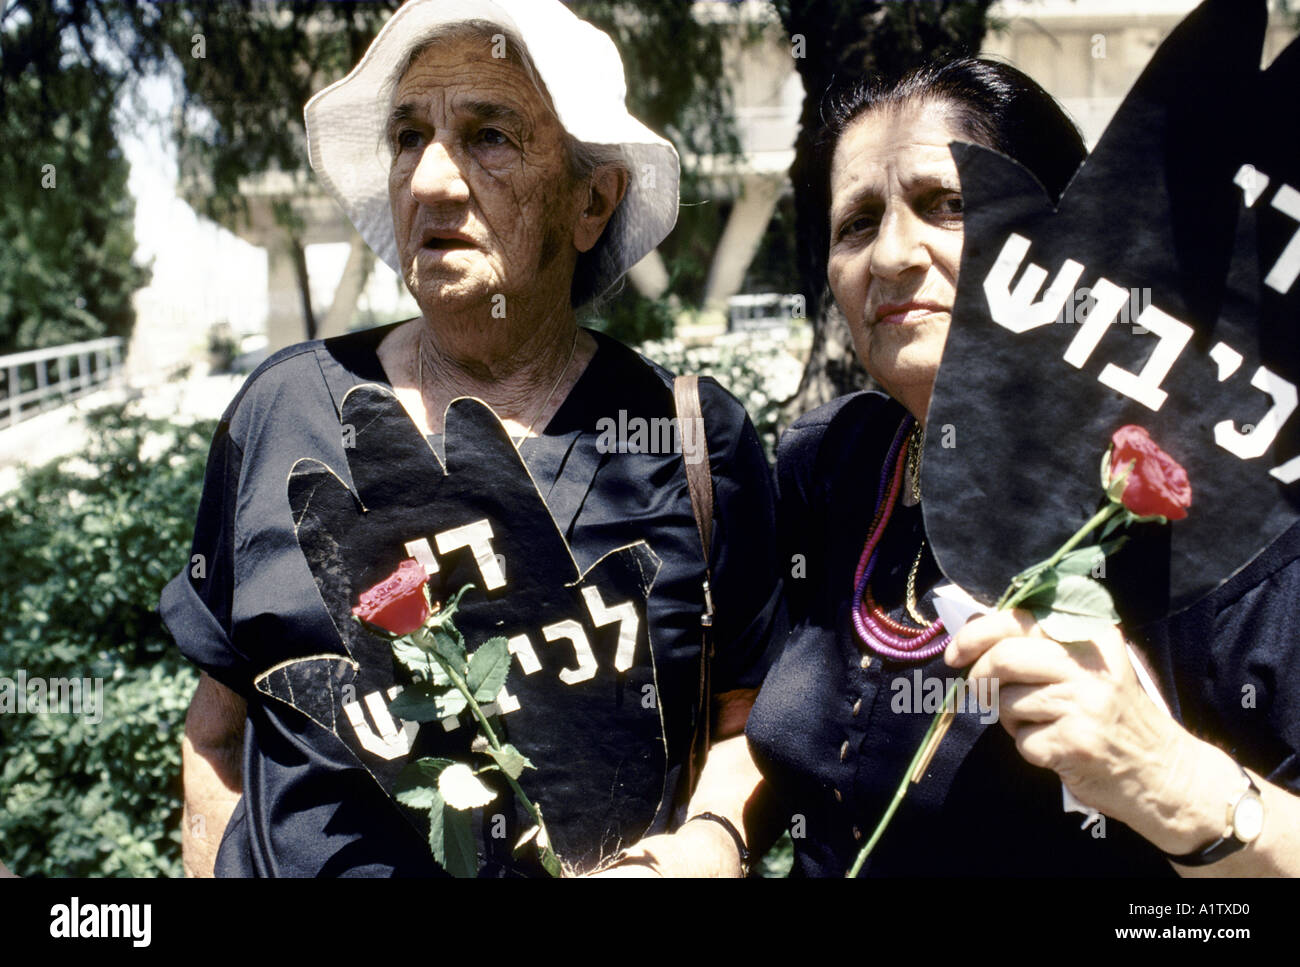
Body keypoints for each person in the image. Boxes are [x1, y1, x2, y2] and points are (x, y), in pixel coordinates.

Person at [163, 0, 779, 877]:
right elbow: (217, 728)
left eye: (490, 135)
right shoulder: (283, 409)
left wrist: (711, 845)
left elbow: (748, 717)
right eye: (410, 137)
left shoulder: (691, 442)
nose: (430, 181)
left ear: (592, 200)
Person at [745, 57, 1300, 876]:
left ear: (1063, 239)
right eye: (857, 223)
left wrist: (1166, 777)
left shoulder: (1219, 522)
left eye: (948, 204)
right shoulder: (832, 464)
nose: (894, 254)